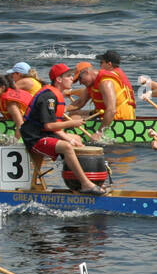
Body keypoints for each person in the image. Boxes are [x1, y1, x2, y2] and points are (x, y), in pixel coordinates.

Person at [20, 62, 105, 193]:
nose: (72, 78)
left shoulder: (55, 95)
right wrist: (72, 124)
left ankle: (78, 182)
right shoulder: (49, 97)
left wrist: (68, 137)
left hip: (45, 134)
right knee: (66, 147)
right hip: (34, 137)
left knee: (76, 138)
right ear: (59, 79)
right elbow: (49, 125)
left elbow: (53, 126)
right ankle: (86, 183)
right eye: (69, 76)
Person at [71, 52, 136, 134]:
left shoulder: (106, 82)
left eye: (80, 79)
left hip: (119, 120)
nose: (80, 83)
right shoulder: (93, 82)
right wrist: (61, 109)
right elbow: (80, 102)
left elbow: (112, 110)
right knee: (73, 114)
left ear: (87, 72)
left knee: (73, 118)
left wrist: (99, 133)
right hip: (103, 113)